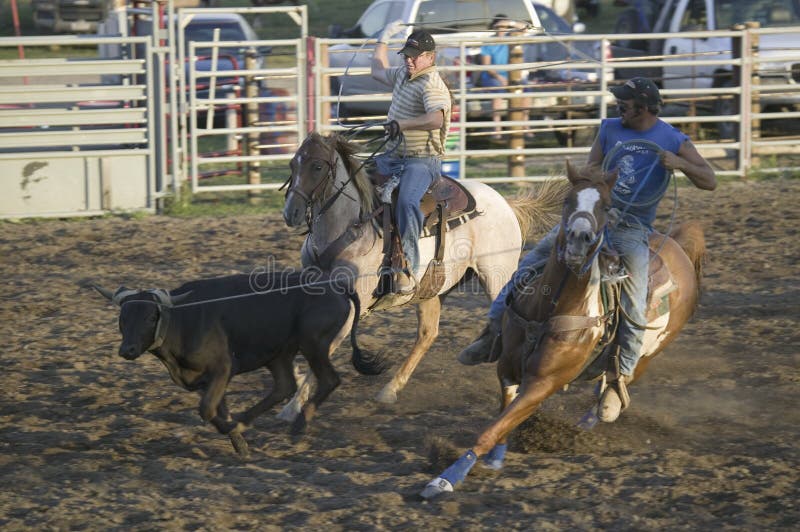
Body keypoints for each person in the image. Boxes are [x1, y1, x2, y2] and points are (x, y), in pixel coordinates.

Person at [458, 77, 716, 421]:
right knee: (530, 265)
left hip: (631, 228)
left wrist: (680, 163)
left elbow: (710, 179)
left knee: (635, 297)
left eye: (624, 102)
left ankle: (618, 378)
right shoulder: (609, 128)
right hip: (593, 216)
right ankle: (491, 335)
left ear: (643, 107)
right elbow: (592, 167)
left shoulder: (672, 139)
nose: (618, 106)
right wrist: (589, 186)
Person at [371, 22, 452, 295]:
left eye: (414, 57)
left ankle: (408, 265)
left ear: (429, 57)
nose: (408, 61)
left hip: (422, 160)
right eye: (406, 56)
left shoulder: (432, 84)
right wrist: (383, 37)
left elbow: (436, 118)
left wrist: (402, 124)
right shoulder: (403, 76)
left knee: (406, 201)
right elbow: (376, 69)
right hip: (394, 155)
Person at [474, 15, 530, 141]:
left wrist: (510, 22)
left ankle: (525, 126)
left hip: (510, 74)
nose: (501, 29)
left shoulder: (512, 38)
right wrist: (499, 77)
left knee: (526, 90)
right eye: (498, 27)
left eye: (504, 27)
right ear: (493, 28)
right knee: (498, 92)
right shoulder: (488, 43)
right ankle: (497, 129)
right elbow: (486, 66)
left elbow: (525, 29)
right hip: (492, 75)